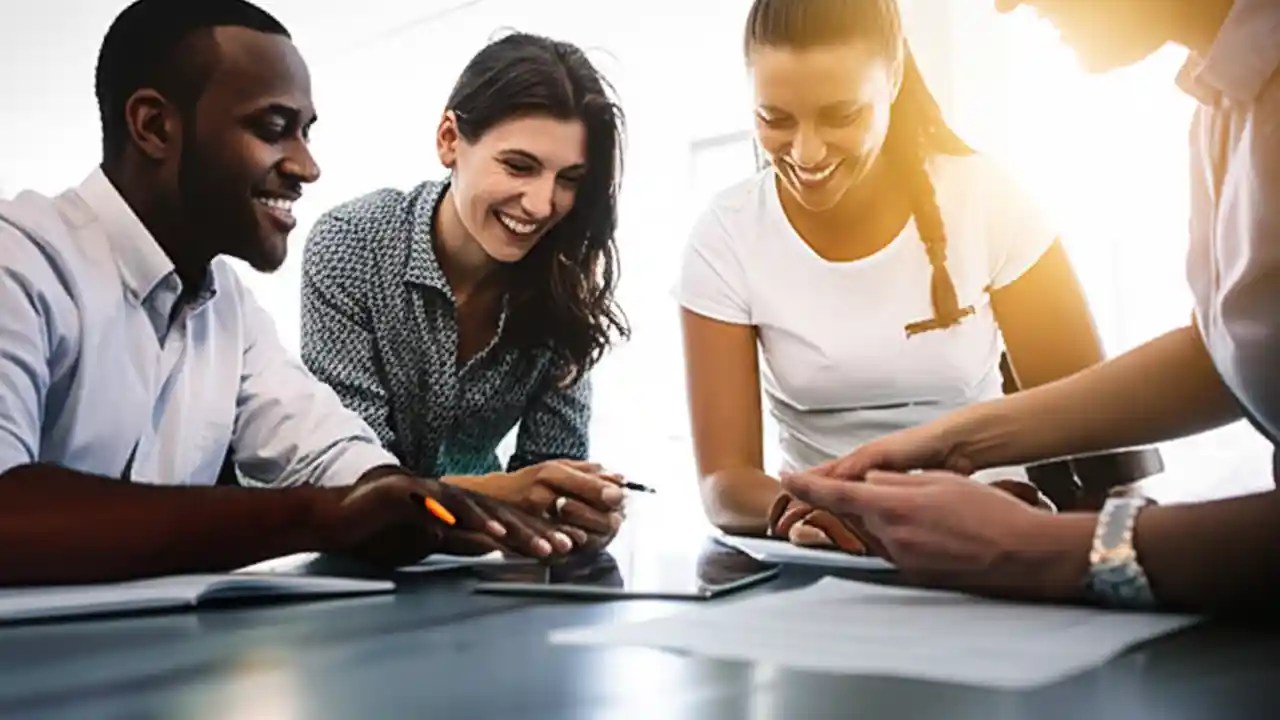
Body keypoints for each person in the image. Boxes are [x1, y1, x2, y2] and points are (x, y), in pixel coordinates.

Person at [0, 0, 576, 586]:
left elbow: (334, 459)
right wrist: (314, 518)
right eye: (274, 129)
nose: (306, 165)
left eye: (305, 132)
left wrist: (426, 507)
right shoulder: (18, 263)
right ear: (154, 126)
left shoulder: (230, 311)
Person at [783, 0, 1279, 613]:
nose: (1003, 4)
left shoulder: (990, 200)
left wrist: (1035, 546)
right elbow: (1229, 349)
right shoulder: (1227, 101)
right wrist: (956, 439)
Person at [676, 0, 1103, 548]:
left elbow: (1097, 427)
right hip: (827, 543)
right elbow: (723, 483)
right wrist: (810, 510)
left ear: (895, 77)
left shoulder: (986, 198)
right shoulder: (726, 233)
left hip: (992, 534)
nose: (806, 153)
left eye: (841, 115)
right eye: (774, 119)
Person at [300, 33, 630, 551]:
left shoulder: (562, 282)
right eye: (519, 166)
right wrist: (508, 496)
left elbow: (550, 471)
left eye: (569, 178)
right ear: (450, 140)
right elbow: (353, 489)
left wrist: (577, 507)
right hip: (322, 560)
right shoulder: (353, 243)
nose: (543, 204)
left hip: (467, 561)